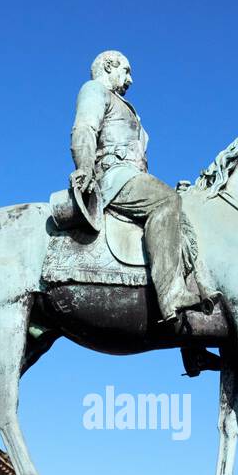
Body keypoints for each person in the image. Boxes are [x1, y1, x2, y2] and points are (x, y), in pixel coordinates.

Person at [70, 50, 201, 323]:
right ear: (108, 66)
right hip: (113, 176)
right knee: (167, 201)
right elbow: (84, 128)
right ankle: (172, 296)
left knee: (187, 226)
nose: (130, 78)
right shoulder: (95, 90)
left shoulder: (126, 108)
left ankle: (192, 345)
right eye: (126, 70)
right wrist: (84, 166)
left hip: (131, 177)